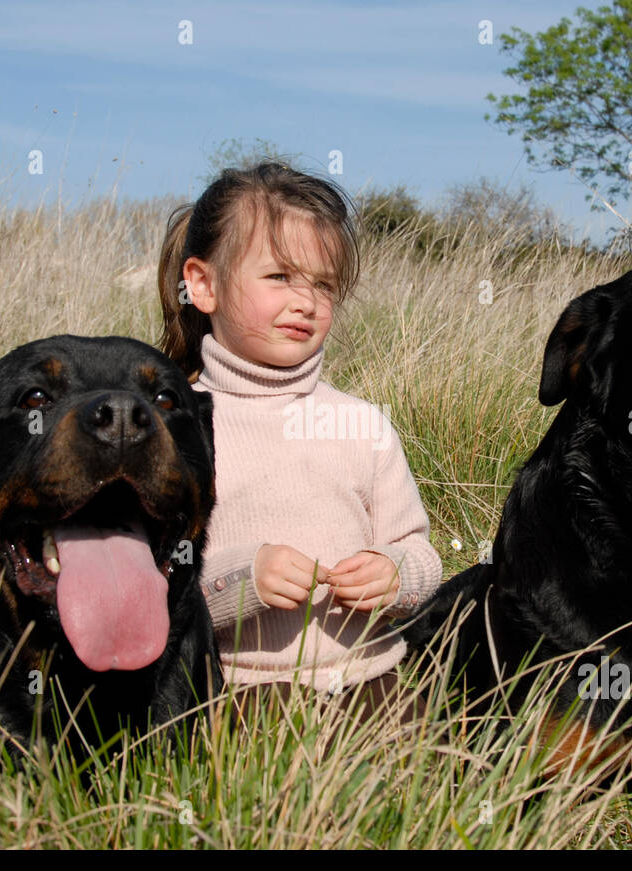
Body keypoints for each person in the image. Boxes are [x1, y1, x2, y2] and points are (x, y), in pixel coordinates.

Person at [157, 162, 441, 719]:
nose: (306, 301)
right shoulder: (175, 429)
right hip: (239, 689)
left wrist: (396, 573)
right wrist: (245, 577)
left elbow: (420, 553)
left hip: (372, 676)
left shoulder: (362, 424)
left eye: (324, 284)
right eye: (280, 276)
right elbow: (154, 589)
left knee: (434, 776)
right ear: (204, 284)